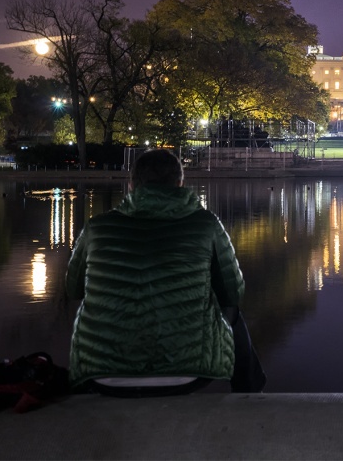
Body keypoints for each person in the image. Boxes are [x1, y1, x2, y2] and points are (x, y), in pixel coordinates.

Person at [66, 148, 265, 396]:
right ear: (181, 184)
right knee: (233, 313)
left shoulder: (96, 228)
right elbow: (233, 293)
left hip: (101, 375)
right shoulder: (206, 224)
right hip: (188, 372)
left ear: (131, 186)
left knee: (93, 304)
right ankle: (249, 393)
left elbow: (72, 289)